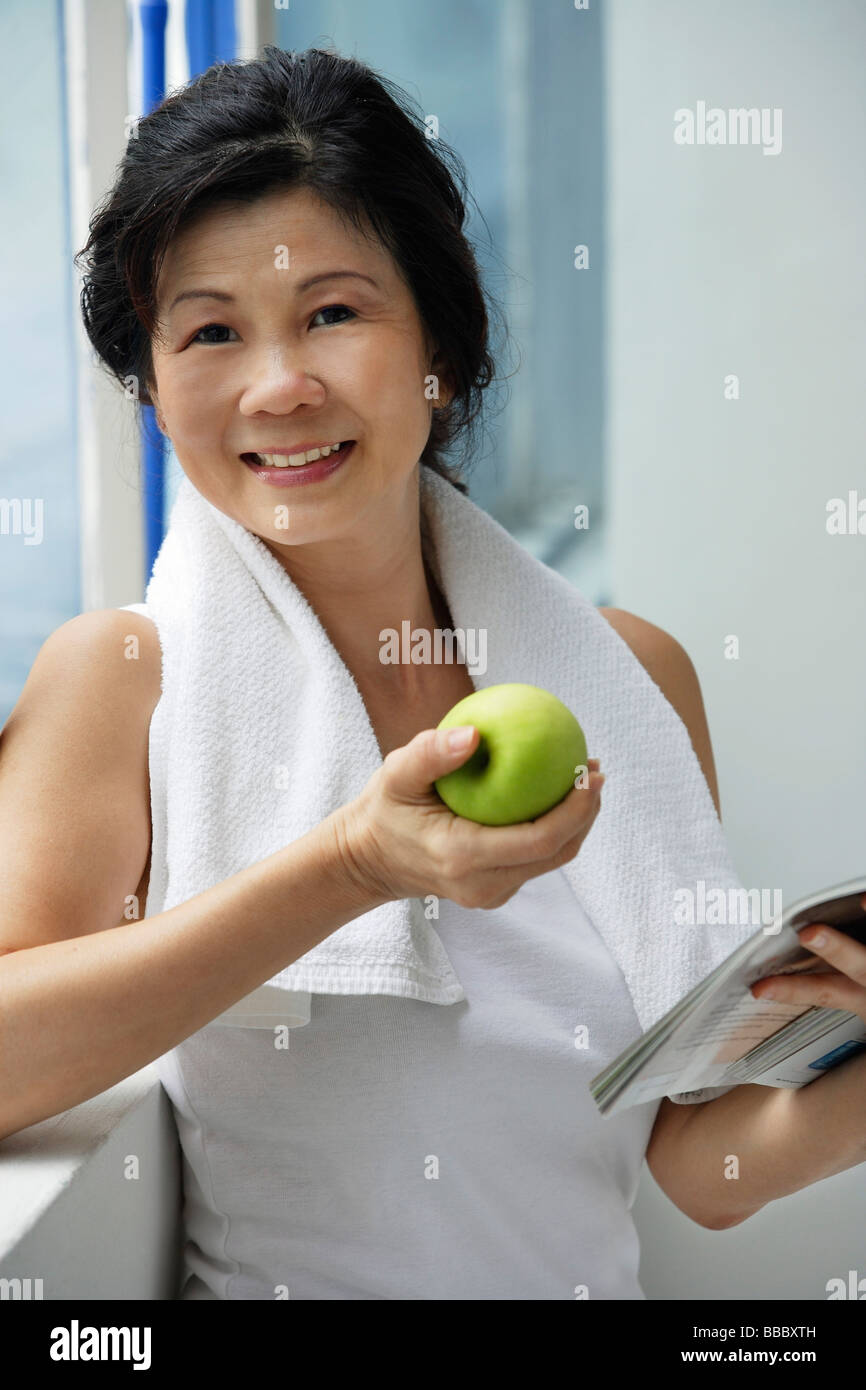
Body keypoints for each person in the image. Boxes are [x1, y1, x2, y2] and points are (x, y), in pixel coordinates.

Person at [3, 46, 864, 1301]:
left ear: (439, 350)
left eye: (334, 314)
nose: (279, 384)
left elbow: (695, 1166)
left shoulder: (628, 681)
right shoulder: (124, 680)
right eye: (208, 332)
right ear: (152, 387)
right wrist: (352, 864)